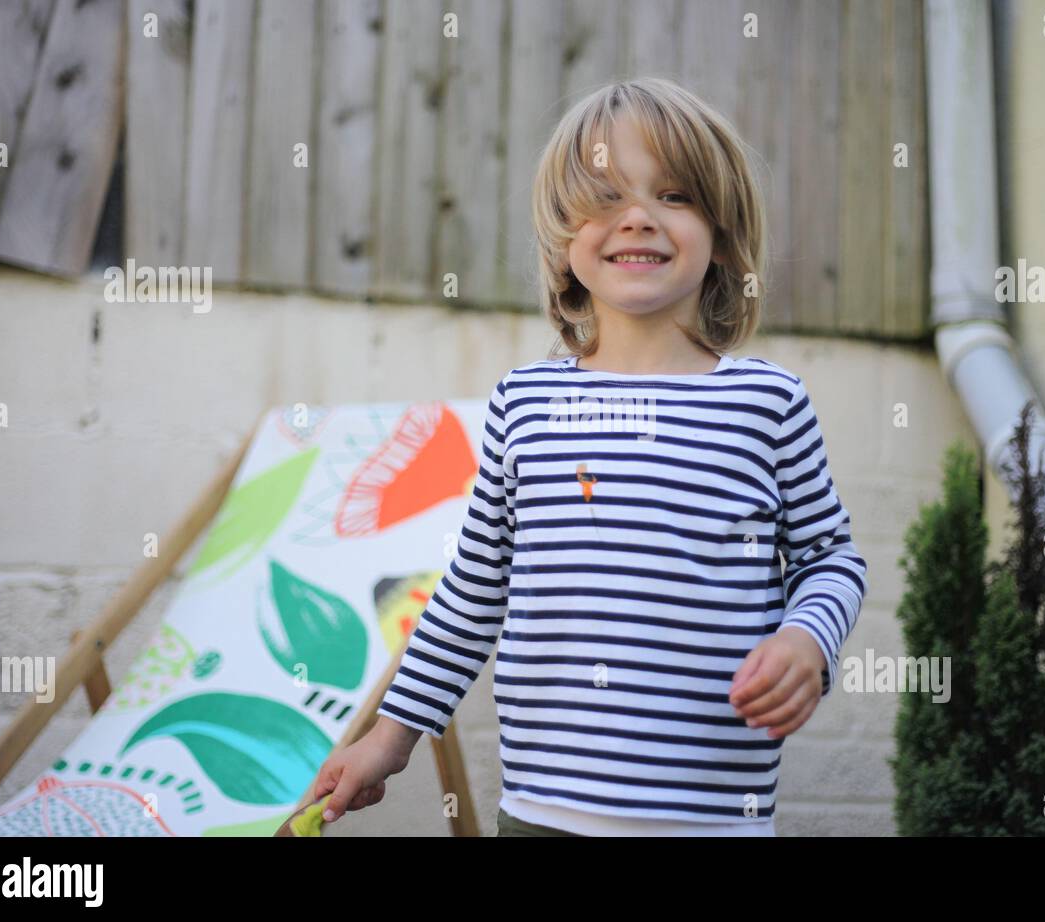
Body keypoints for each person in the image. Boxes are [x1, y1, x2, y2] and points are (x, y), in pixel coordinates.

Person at [312, 77, 867, 837]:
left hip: (712, 823)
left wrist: (808, 638)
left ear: (722, 235)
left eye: (674, 195)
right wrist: (390, 736)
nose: (637, 217)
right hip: (541, 816)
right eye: (604, 198)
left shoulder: (767, 404)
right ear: (564, 242)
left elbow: (832, 559)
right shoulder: (525, 404)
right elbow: (472, 592)